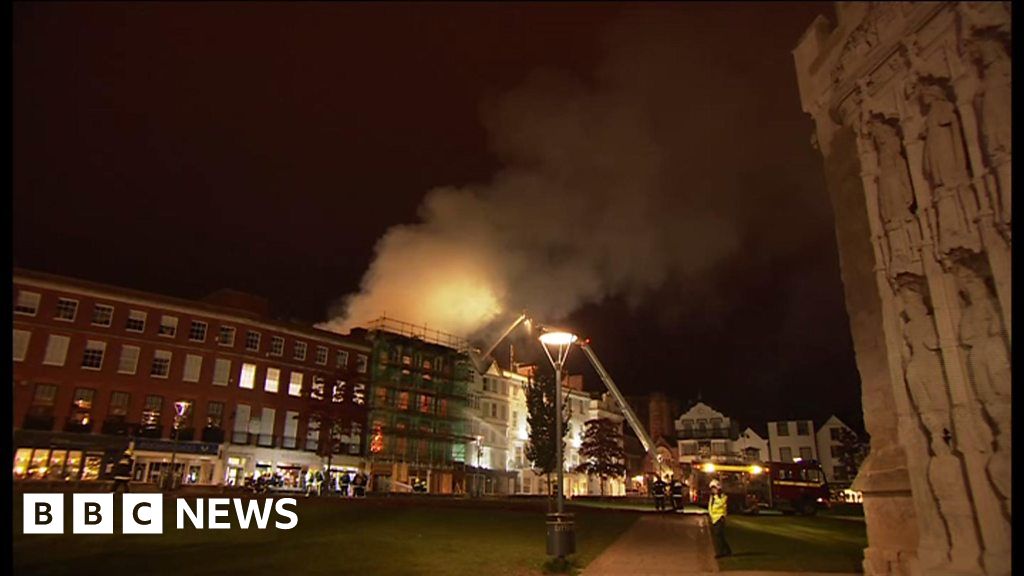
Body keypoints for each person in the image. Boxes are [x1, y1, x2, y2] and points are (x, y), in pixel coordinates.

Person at [708, 480, 732, 558]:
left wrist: (716, 496)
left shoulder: (722, 496)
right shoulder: (712, 497)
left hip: (720, 518)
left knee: (718, 535)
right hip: (714, 519)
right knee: (720, 536)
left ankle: (720, 552)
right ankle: (727, 550)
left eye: (714, 488)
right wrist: (711, 515)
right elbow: (710, 506)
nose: (713, 490)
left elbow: (721, 504)